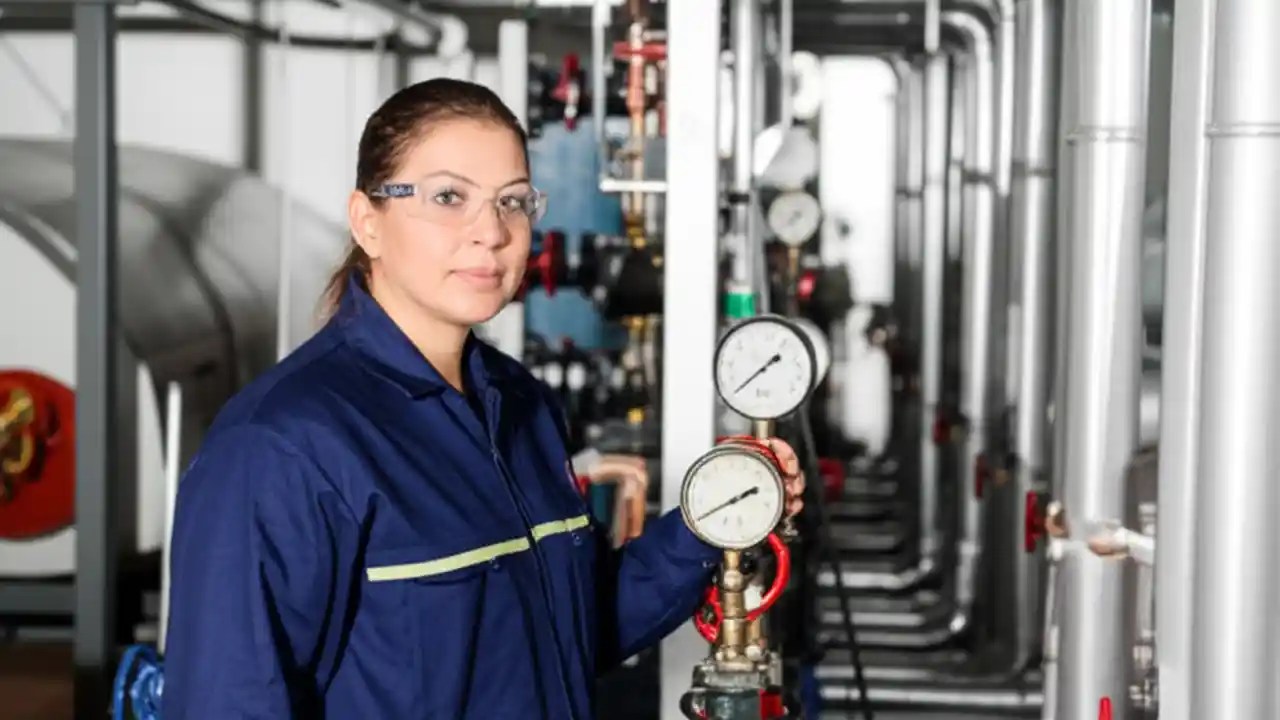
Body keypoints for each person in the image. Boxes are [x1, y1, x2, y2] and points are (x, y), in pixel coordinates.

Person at [161, 78, 805, 719]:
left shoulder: (521, 405)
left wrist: (713, 517)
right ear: (368, 221)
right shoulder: (282, 447)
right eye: (448, 197)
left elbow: (568, 633)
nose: (491, 233)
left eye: (513, 202)